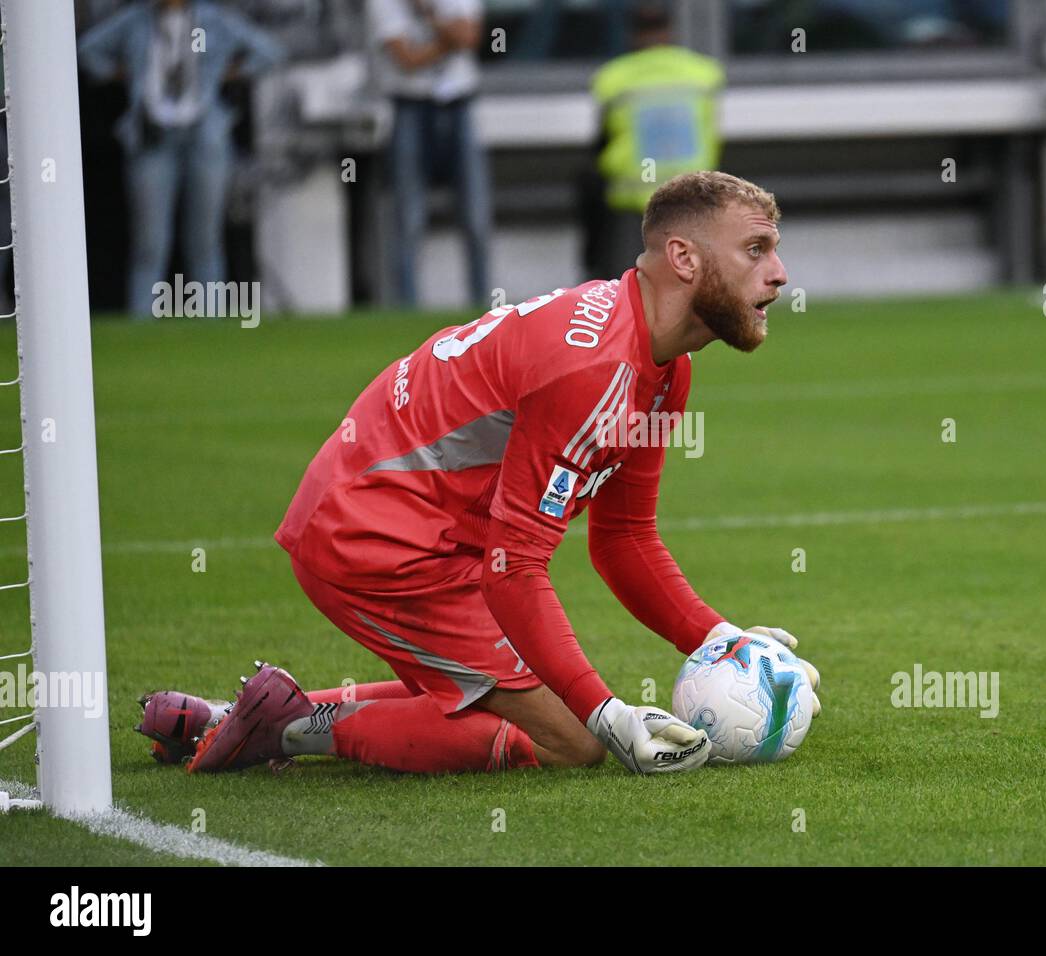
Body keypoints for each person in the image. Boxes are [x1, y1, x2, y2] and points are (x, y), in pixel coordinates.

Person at [137, 171, 821, 776]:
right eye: (757, 249)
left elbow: (625, 539)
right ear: (684, 257)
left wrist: (721, 641)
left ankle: (233, 715)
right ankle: (288, 731)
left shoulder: (665, 370)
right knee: (570, 741)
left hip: (424, 528)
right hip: (376, 532)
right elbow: (515, 567)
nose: (780, 272)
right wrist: (607, 714)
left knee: (519, 699)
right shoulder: (594, 367)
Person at [77, 0, 285, 316]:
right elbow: (87, 50)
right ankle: (141, 326)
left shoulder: (213, 20)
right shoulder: (135, 21)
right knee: (150, 241)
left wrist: (228, 73)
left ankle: (210, 324)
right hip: (152, 135)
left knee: (205, 238)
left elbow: (270, 51)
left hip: (204, 134)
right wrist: (126, 73)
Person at [583, 3, 724, 279]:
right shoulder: (703, 73)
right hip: (691, 197)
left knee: (626, 288)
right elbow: (711, 132)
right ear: (670, 30)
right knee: (692, 282)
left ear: (632, 33)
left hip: (631, 202)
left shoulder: (613, 78)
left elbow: (601, 144)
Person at [367, 0, 491, 307]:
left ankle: (482, 306)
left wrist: (428, 12)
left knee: (476, 215)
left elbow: (471, 38)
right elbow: (405, 59)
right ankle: (407, 307)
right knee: (408, 217)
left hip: (459, 105)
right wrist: (450, 37)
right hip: (410, 107)